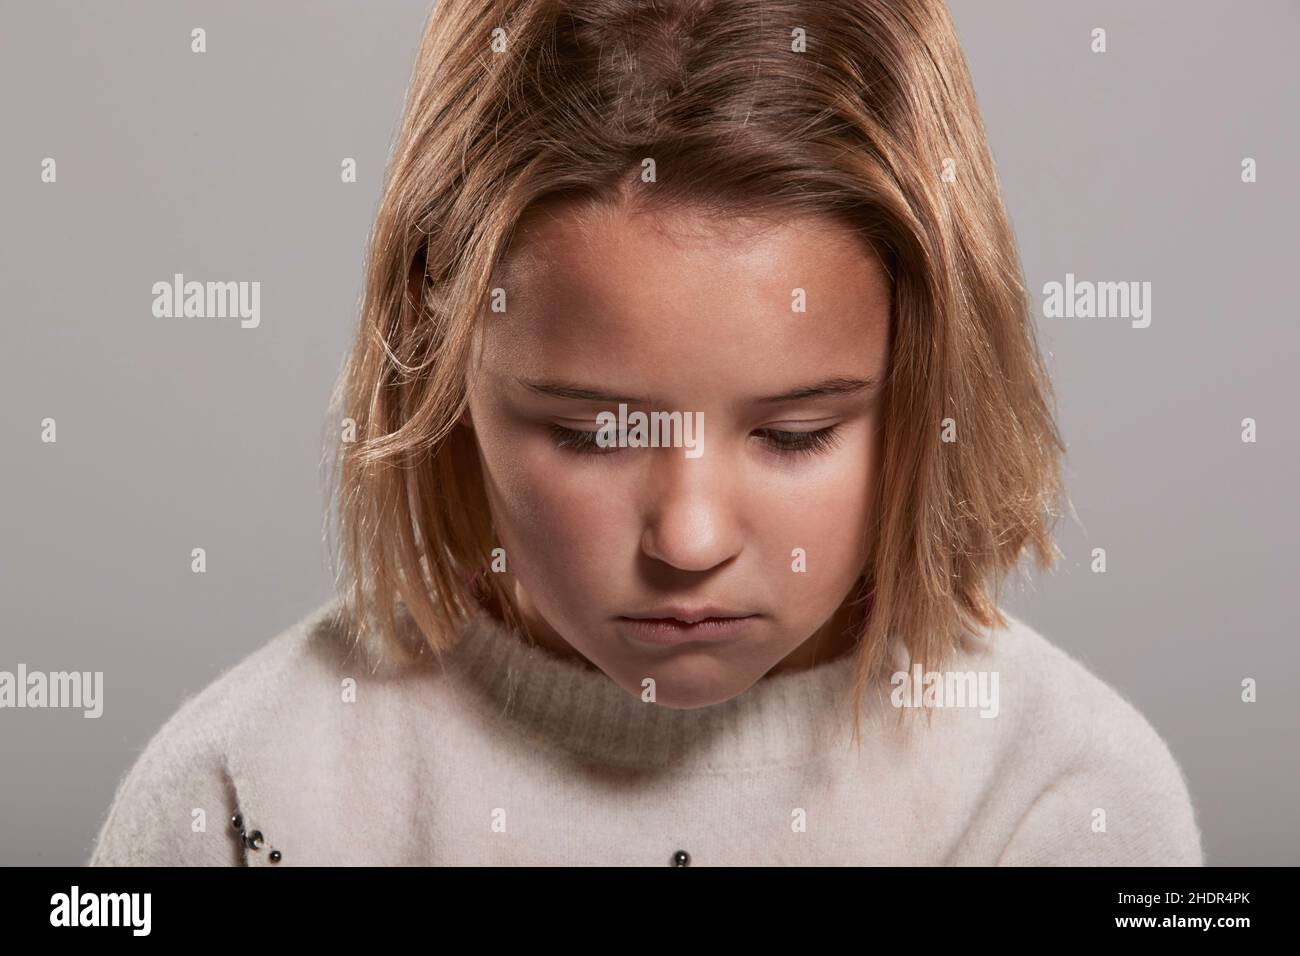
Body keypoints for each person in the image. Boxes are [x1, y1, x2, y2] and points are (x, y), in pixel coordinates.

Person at [88, 0, 1203, 866]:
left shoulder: (1063, 793)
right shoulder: (246, 789)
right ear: (436, 358)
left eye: (795, 432)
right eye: (590, 433)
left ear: (929, 378)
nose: (689, 535)